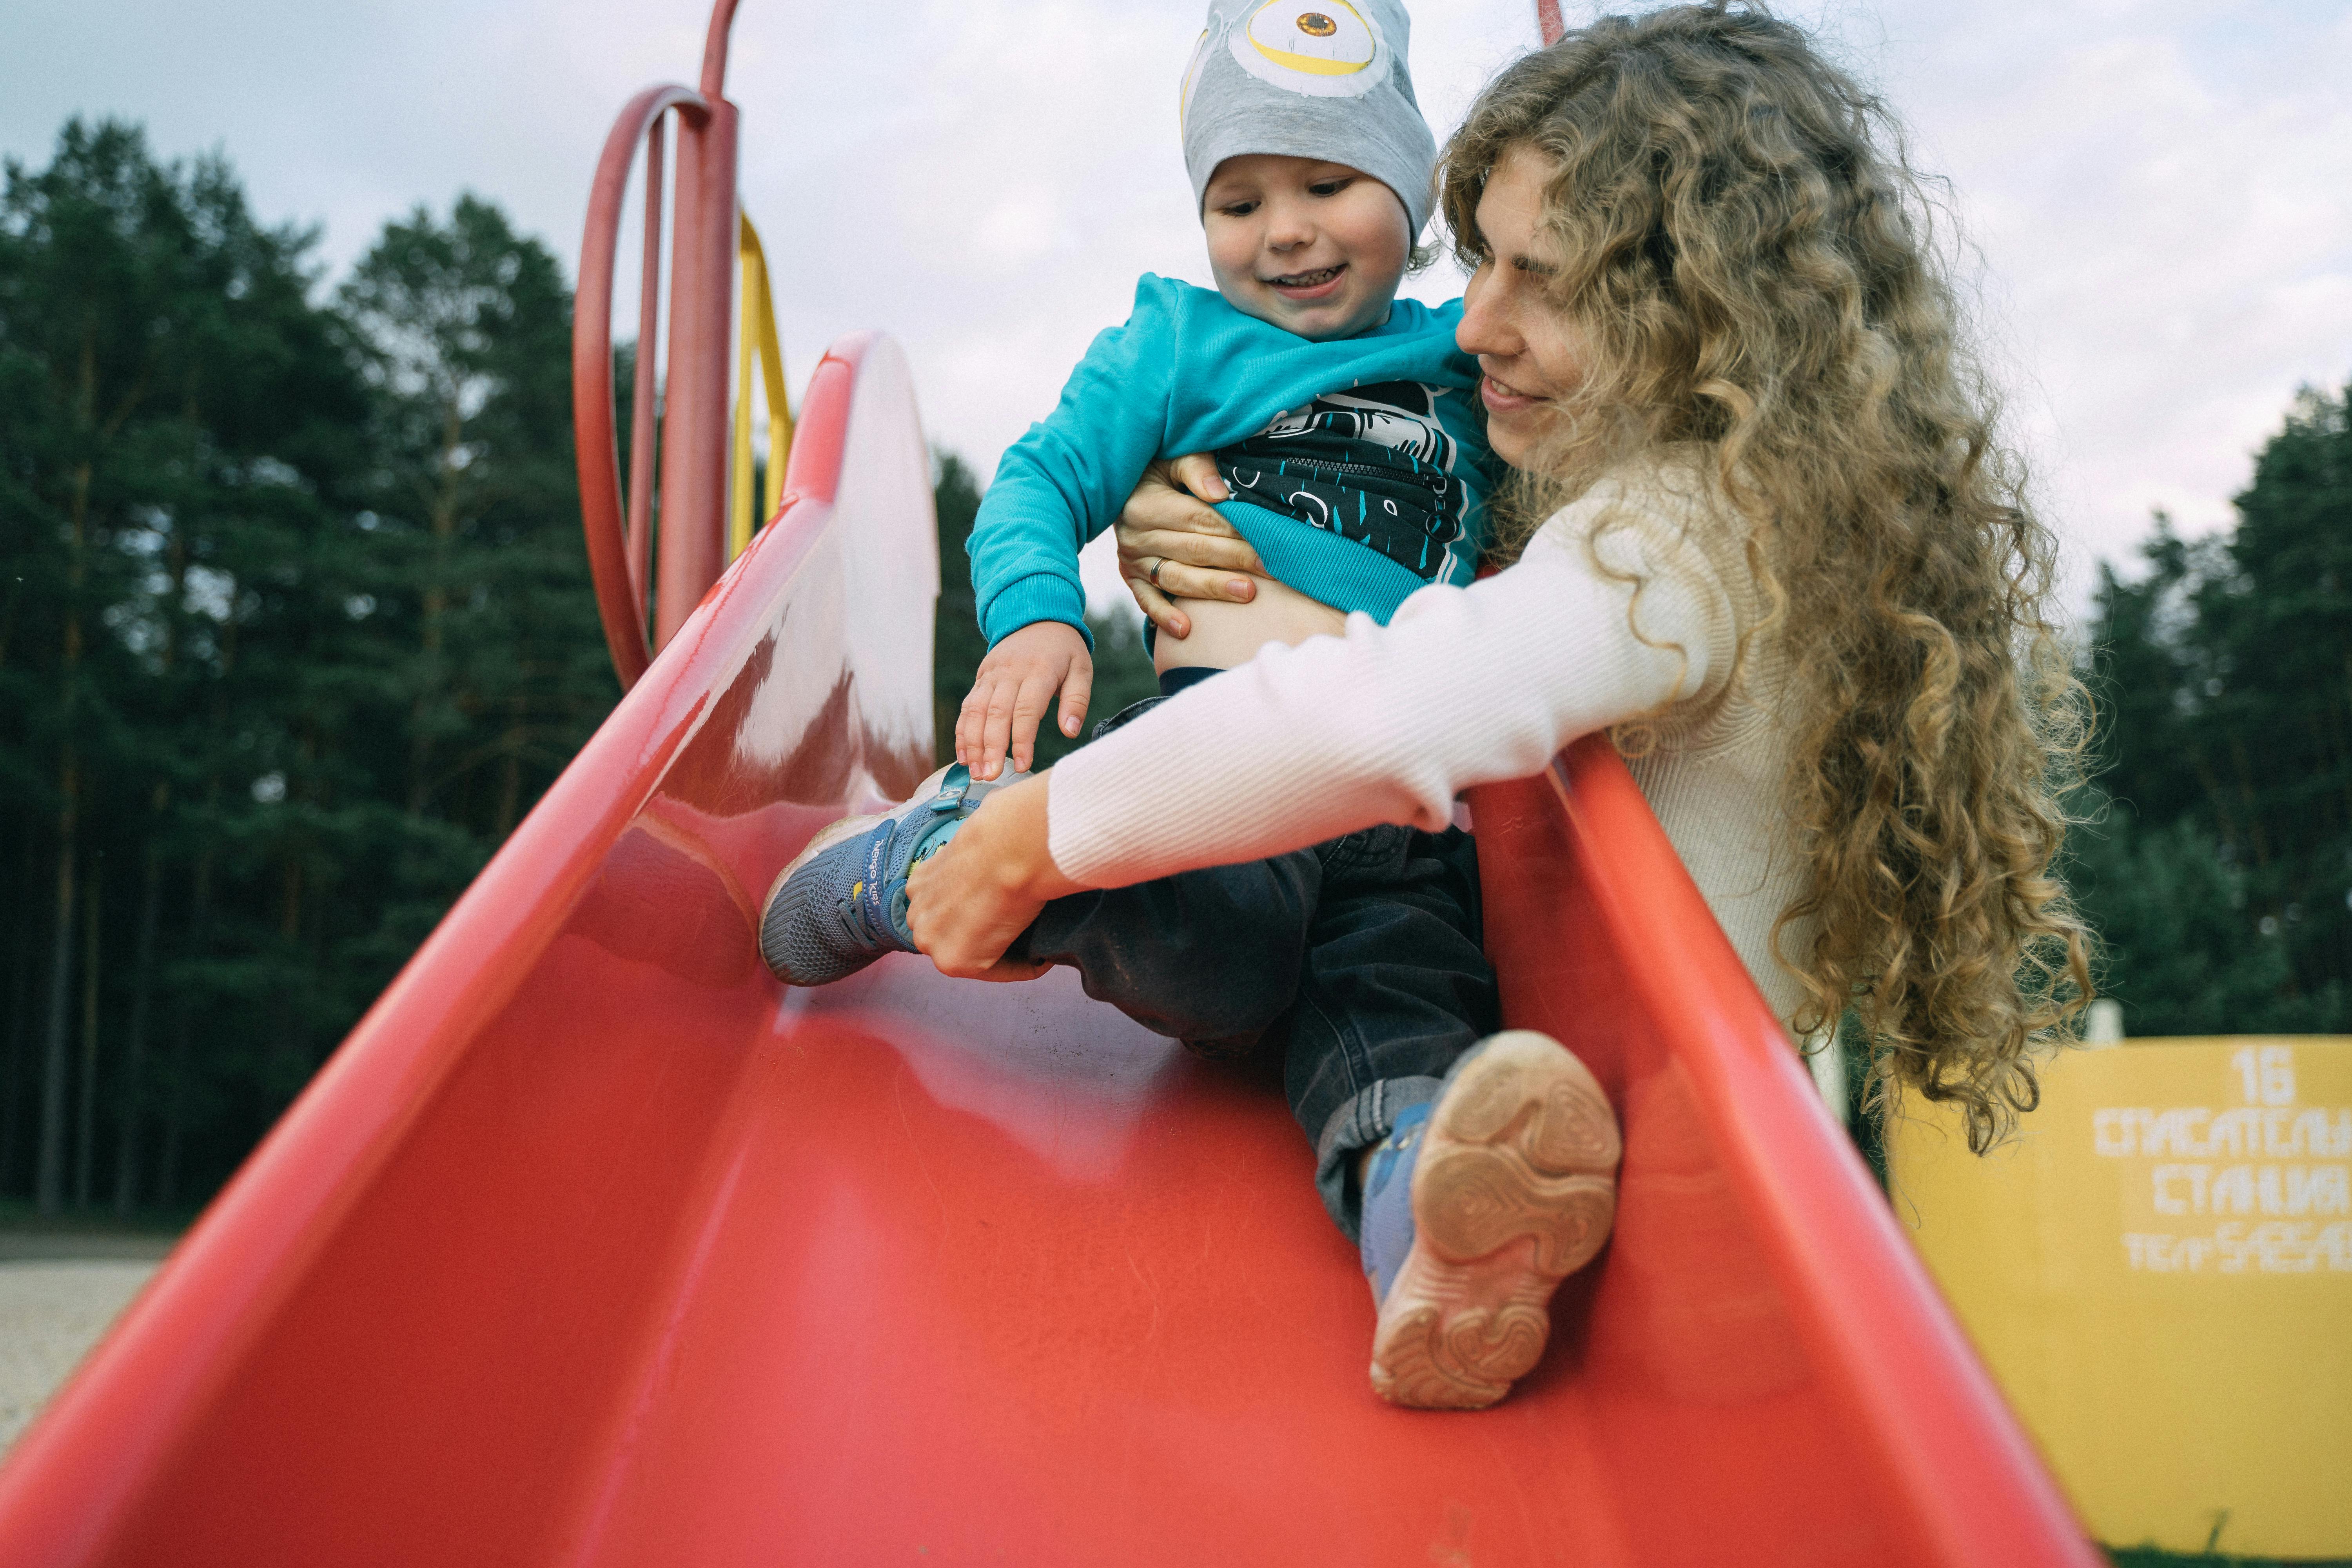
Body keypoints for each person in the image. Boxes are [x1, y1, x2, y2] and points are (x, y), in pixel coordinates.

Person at [904, 1, 2094, 1412]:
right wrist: (1212, 521)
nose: (1476, 326)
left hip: (1642, 1178)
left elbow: (1404, 707)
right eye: (1482, 263)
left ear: (1695, 305)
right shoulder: (1686, 495)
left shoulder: (1678, 539)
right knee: (1264, 945)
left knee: (1320, 968)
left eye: (1544, 278)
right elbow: (1445, 596)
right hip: (1631, 1156)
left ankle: (954, 851)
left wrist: (1049, 820)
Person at [757, 0, 1625, 1416]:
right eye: (1239, 198)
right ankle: (934, 855)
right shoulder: (1175, 342)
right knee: (1222, 954)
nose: (1283, 230)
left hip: (1413, 807)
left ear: (1410, 198)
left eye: (1329, 185)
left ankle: (1427, 1227)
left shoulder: (1467, 373)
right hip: (1229, 772)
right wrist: (1036, 615)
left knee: (1410, 1003)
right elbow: (1040, 478)